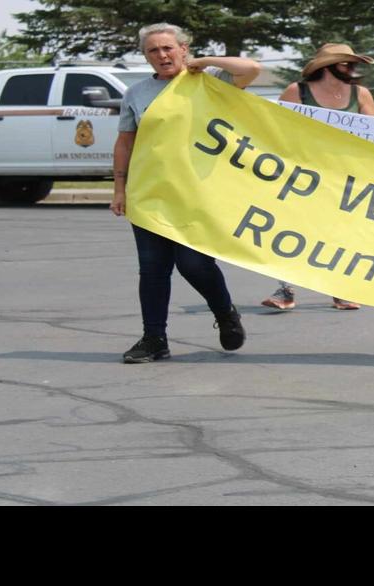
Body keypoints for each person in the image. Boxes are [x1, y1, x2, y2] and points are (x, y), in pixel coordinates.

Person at [112, 23, 261, 364]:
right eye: (153, 50)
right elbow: (125, 143)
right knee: (152, 269)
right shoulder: (136, 94)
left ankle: (224, 312)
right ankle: (154, 339)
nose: (162, 55)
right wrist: (119, 188)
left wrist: (203, 62)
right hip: (150, 192)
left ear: (183, 48)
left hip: (198, 193)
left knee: (194, 264)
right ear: (145, 56)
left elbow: (251, 68)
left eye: (168, 48)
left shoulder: (211, 81)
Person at [262, 43, 374, 312]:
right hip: (303, 174)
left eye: (352, 63)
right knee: (292, 231)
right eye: (345, 63)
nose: (351, 68)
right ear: (327, 66)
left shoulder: (360, 94)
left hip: (346, 177)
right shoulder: (297, 92)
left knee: (340, 233)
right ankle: (286, 290)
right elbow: (276, 130)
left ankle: (341, 289)